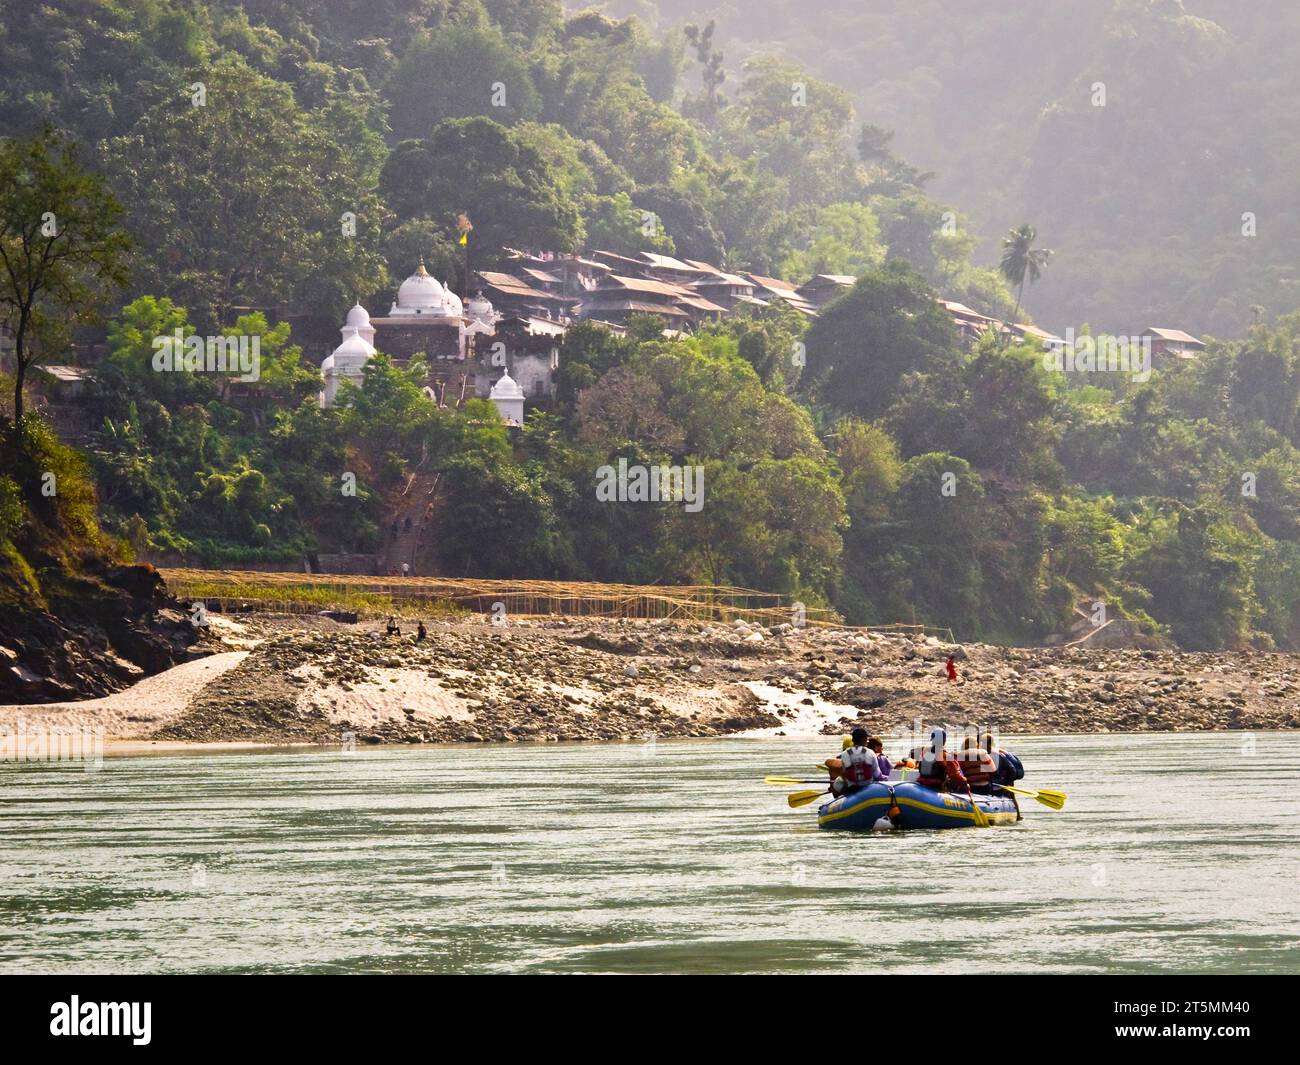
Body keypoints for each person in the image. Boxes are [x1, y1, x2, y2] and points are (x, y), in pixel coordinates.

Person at [916, 727, 968, 792]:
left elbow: (918, 766)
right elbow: (955, 776)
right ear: (944, 740)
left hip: (921, 784)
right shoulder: (945, 756)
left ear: (932, 739)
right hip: (935, 787)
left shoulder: (924, 752)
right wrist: (964, 782)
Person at [832, 728, 878, 796]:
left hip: (852, 789)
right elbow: (877, 774)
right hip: (868, 789)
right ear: (863, 739)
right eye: (866, 739)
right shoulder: (871, 752)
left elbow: (844, 773)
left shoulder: (844, 754)